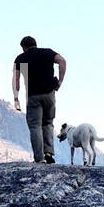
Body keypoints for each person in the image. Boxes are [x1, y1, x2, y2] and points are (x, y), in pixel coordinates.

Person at [11, 35, 65, 163]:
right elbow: (62, 61)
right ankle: (48, 153)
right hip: (49, 94)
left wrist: (16, 97)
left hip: (33, 96)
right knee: (48, 123)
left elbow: (16, 79)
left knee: (35, 126)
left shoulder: (21, 58)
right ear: (35, 44)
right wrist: (60, 81)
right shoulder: (47, 52)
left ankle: (39, 159)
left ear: (24, 47)